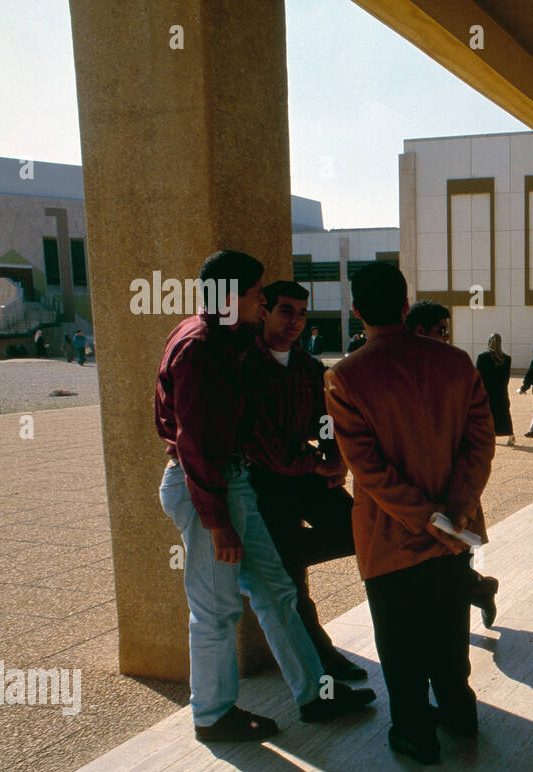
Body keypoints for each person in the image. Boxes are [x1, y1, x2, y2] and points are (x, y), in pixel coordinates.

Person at [155, 250, 375, 743]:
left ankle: (315, 694)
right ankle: (212, 715)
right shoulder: (201, 347)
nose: (263, 303)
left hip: (229, 485)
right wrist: (218, 521)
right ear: (233, 296)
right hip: (207, 490)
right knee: (216, 610)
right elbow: (194, 446)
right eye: (259, 295)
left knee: (276, 592)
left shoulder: (221, 339)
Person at [325, 263, 494, 765]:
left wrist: (422, 518)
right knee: (448, 632)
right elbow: (480, 443)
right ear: (405, 305)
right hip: (454, 534)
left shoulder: (346, 376)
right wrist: (455, 513)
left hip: (389, 537)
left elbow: (368, 470)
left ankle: (416, 734)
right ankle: (461, 716)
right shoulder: (457, 364)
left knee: (400, 645)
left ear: (356, 310)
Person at [240, 280, 365, 682]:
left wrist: (334, 460)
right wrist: (317, 466)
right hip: (265, 483)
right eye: (286, 311)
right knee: (293, 588)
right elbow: (259, 442)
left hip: (307, 473)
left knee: (358, 530)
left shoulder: (309, 368)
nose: (295, 321)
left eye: (302, 313)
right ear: (264, 312)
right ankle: (324, 659)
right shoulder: (244, 366)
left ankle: (285, 555)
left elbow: (324, 421)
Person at [406, 301, 503, 627]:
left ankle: (477, 590)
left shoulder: (458, 372)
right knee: (433, 576)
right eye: (442, 331)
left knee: (454, 566)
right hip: (414, 499)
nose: (447, 339)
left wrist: (462, 503)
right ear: (420, 331)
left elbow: (479, 442)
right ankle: (480, 589)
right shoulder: (398, 372)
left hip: (453, 495)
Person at [476, 333, 515, 447]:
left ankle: (487, 435)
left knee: (487, 414)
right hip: (501, 391)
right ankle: (510, 435)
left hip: (487, 391)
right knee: (504, 413)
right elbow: (506, 377)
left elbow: (478, 376)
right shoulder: (506, 359)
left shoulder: (482, 357)